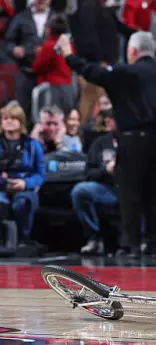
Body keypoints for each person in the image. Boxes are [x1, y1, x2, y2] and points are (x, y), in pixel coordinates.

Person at [59, 31, 156, 258]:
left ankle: (131, 246)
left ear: (132, 52)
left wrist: (67, 54)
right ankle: (152, 243)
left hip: (134, 140)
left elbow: (93, 72)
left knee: (130, 193)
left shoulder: (127, 72)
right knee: (153, 194)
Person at [0, 102, 46, 240]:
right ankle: (0, 240)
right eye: (5, 118)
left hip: (23, 188)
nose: (8, 121)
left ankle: (22, 240)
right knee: (0, 205)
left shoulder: (33, 145)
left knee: (23, 203)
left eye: (13, 118)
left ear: (21, 122)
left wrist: (25, 183)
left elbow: (41, 174)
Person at [71, 108, 118, 255]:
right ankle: (94, 238)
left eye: (112, 117)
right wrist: (106, 170)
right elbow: (88, 172)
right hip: (107, 189)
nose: (108, 120)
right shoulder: (100, 143)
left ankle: (142, 242)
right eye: (107, 118)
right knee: (81, 190)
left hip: (132, 189)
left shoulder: (135, 142)